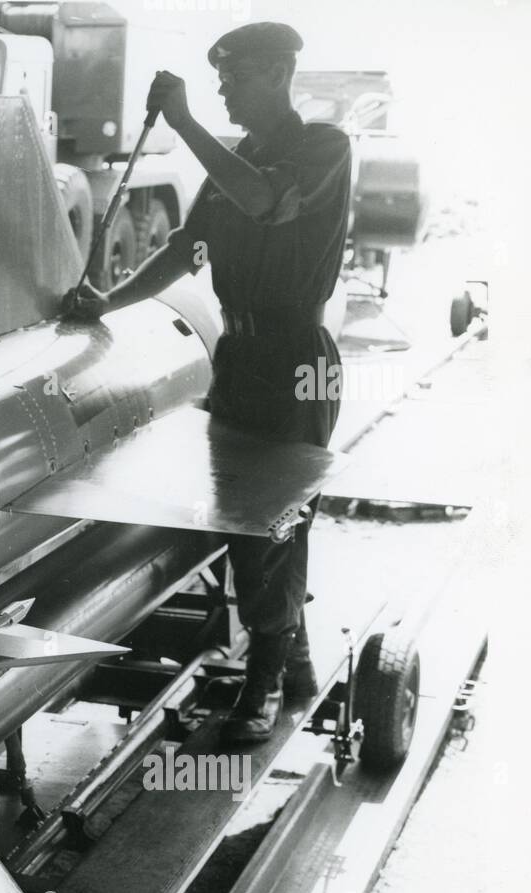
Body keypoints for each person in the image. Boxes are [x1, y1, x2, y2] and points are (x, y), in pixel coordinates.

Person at [64, 22, 351, 744]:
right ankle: (296, 661)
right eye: (218, 77)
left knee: (271, 521)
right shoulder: (237, 159)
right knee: (253, 516)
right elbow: (183, 250)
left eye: (237, 75)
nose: (222, 87)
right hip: (242, 357)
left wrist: (185, 121)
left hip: (299, 361)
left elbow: (264, 202)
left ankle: (264, 687)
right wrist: (107, 302)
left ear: (281, 73)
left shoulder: (323, 147)